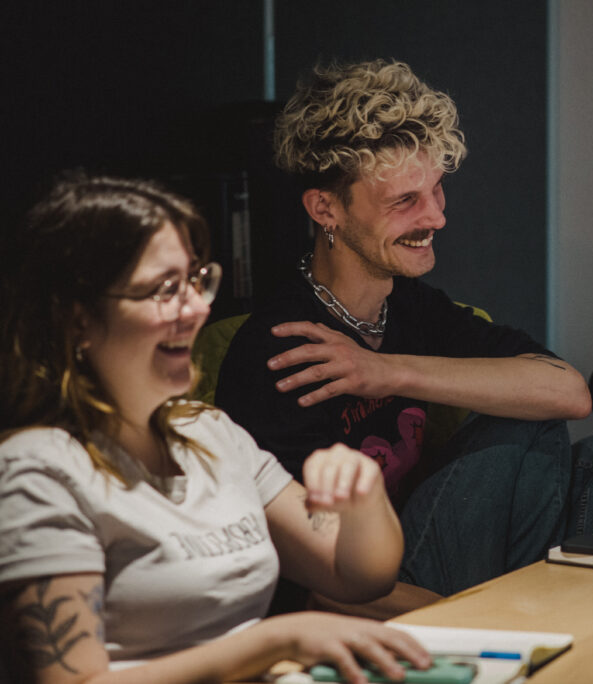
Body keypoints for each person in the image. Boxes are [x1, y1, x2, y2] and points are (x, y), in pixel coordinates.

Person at [216, 59, 593, 598]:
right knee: (523, 427)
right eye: (405, 202)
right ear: (326, 208)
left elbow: (568, 392)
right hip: (375, 590)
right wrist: (467, 620)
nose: (436, 218)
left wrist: (385, 371)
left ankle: (556, 616)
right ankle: (534, 618)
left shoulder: (411, 306)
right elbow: (311, 569)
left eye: (437, 191)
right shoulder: (282, 349)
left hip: (457, 559)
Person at [0, 174, 432, 684]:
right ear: (78, 320)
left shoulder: (209, 433)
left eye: (196, 280)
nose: (198, 308)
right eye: (165, 290)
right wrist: (276, 641)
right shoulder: (37, 468)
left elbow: (358, 575)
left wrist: (361, 500)